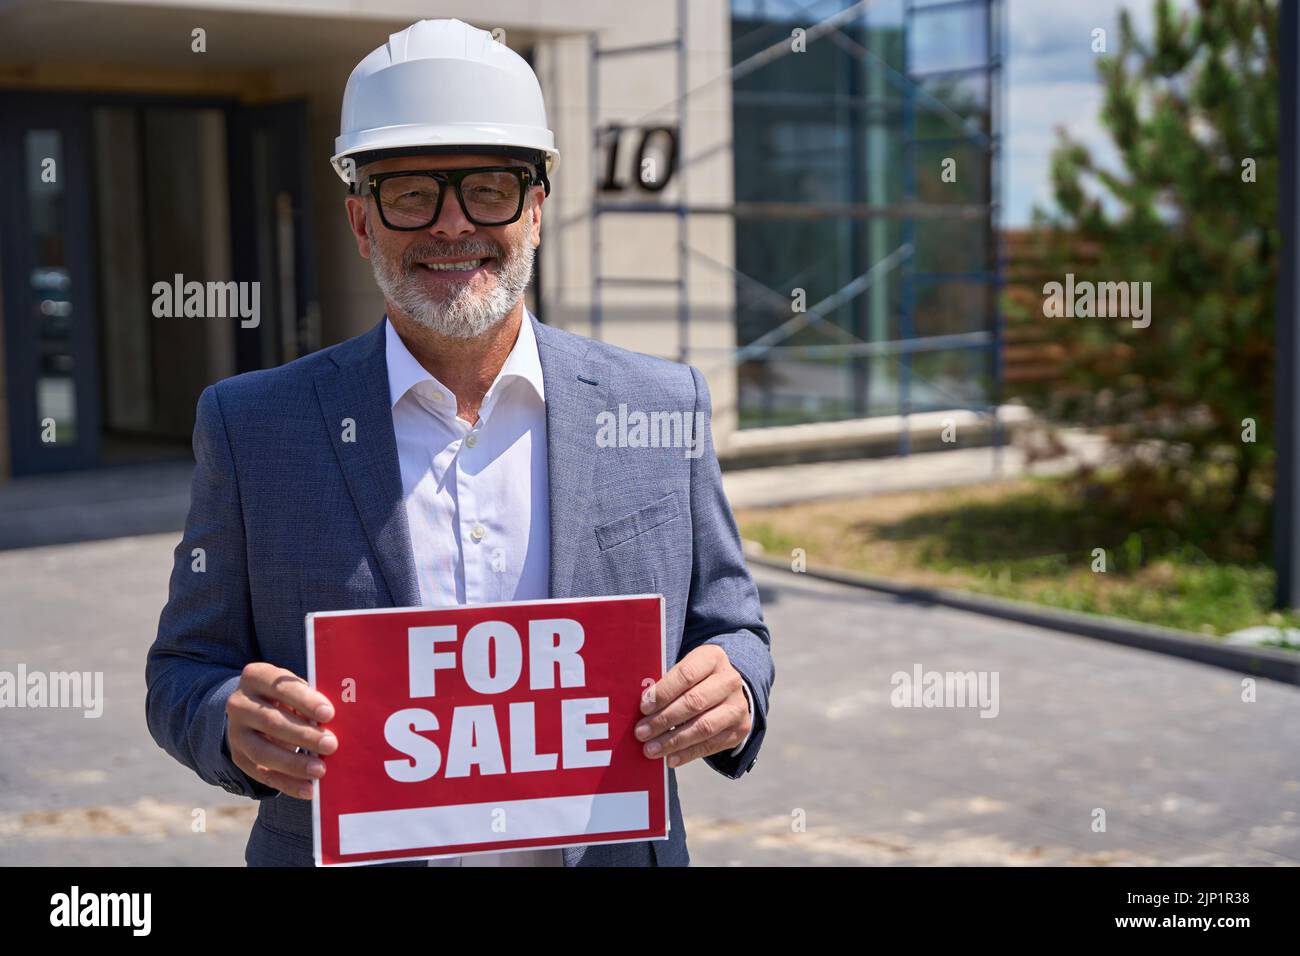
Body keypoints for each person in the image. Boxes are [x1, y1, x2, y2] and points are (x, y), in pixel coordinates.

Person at [145, 17, 773, 867]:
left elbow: (734, 628)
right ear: (362, 221)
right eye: (409, 193)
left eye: (489, 188)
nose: (451, 226)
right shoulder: (253, 427)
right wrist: (228, 719)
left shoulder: (662, 408)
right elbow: (184, 668)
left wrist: (734, 685)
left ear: (537, 210)